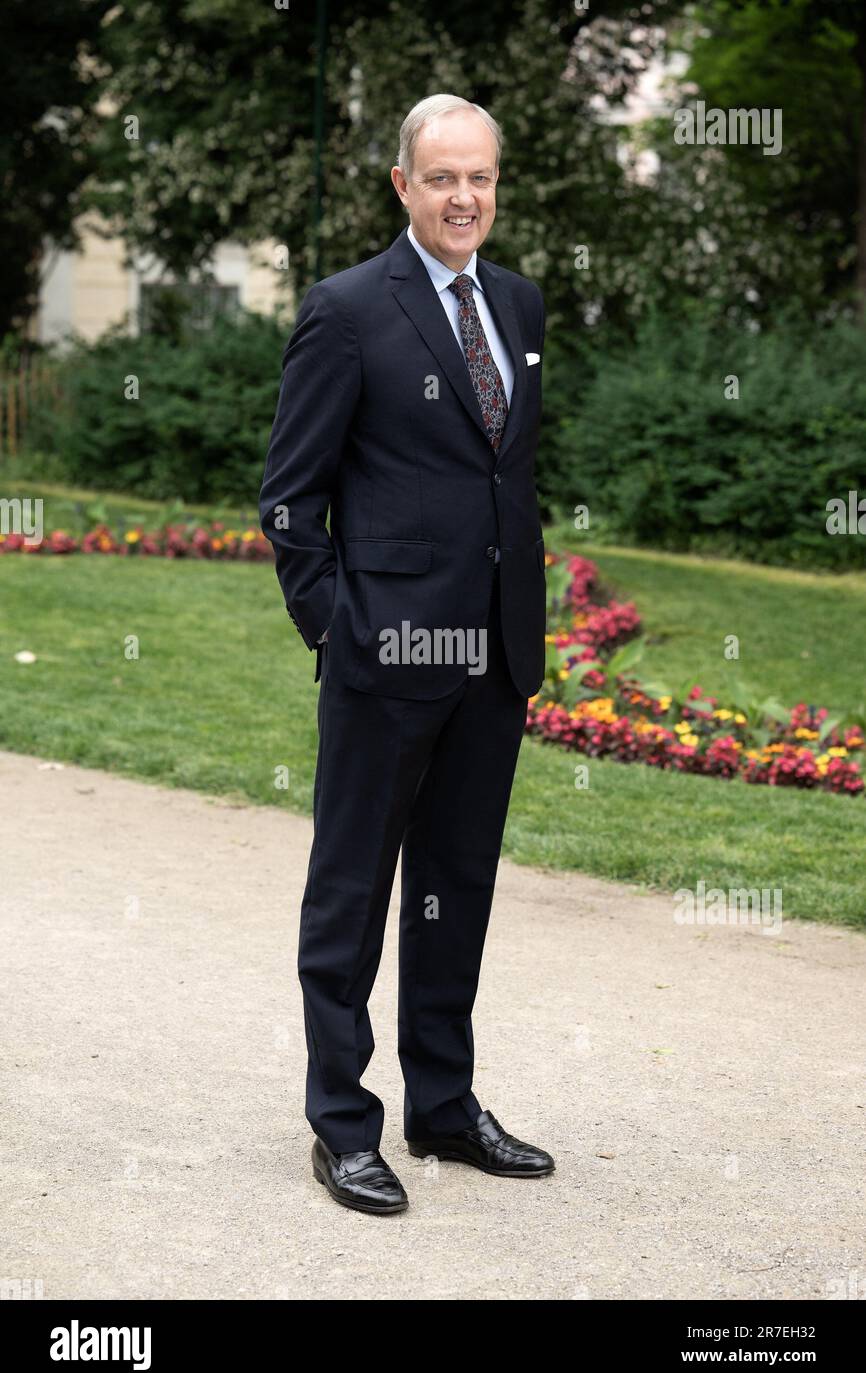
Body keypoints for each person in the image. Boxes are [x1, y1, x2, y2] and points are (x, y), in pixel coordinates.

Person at [260, 93, 555, 1215]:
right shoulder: (345, 311)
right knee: (350, 893)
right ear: (402, 185)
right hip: (383, 657)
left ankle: (443, 1105)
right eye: (441, 178)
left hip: (492, 659)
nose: (464, 197)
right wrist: (339, 628)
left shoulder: (517, 303)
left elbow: (498, 476)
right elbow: (290, 500)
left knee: (455, 886)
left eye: (479, 177)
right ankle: (342, 1123)